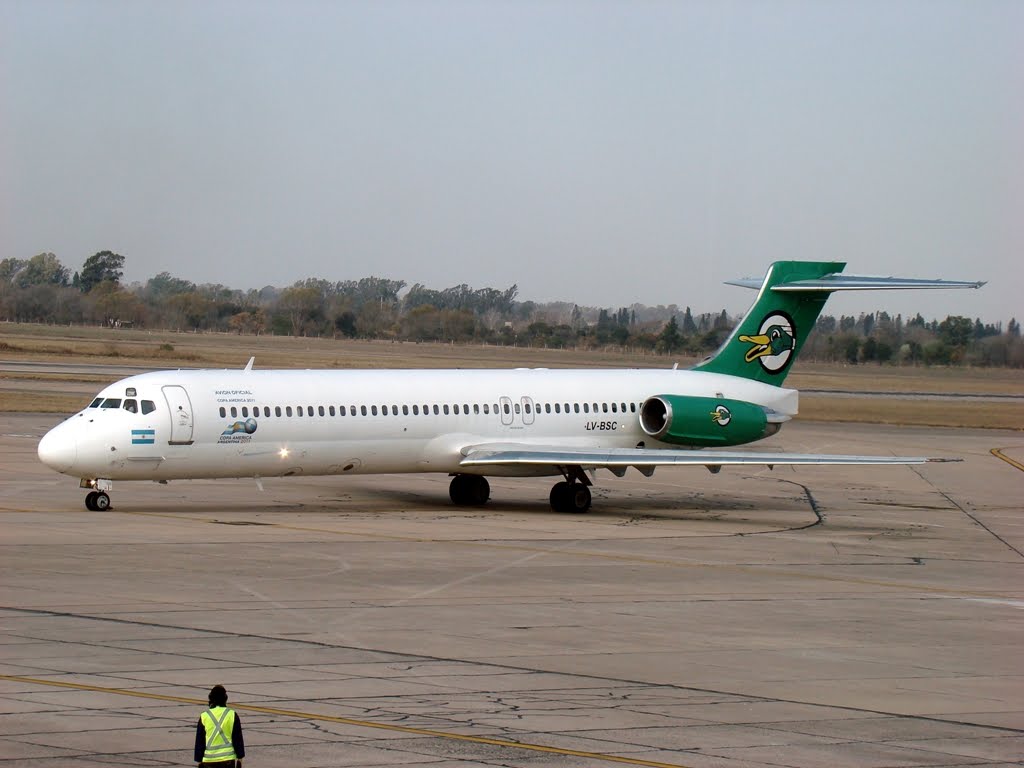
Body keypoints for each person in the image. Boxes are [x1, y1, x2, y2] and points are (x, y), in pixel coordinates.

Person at [194, 684, 245, 767]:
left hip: (209, 760)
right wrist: (240, 758)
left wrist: (199, 760)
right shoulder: (232, 714)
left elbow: (200, 741)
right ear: (225, 698)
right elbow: (237, 739)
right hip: (227, 760)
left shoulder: (204, 716)